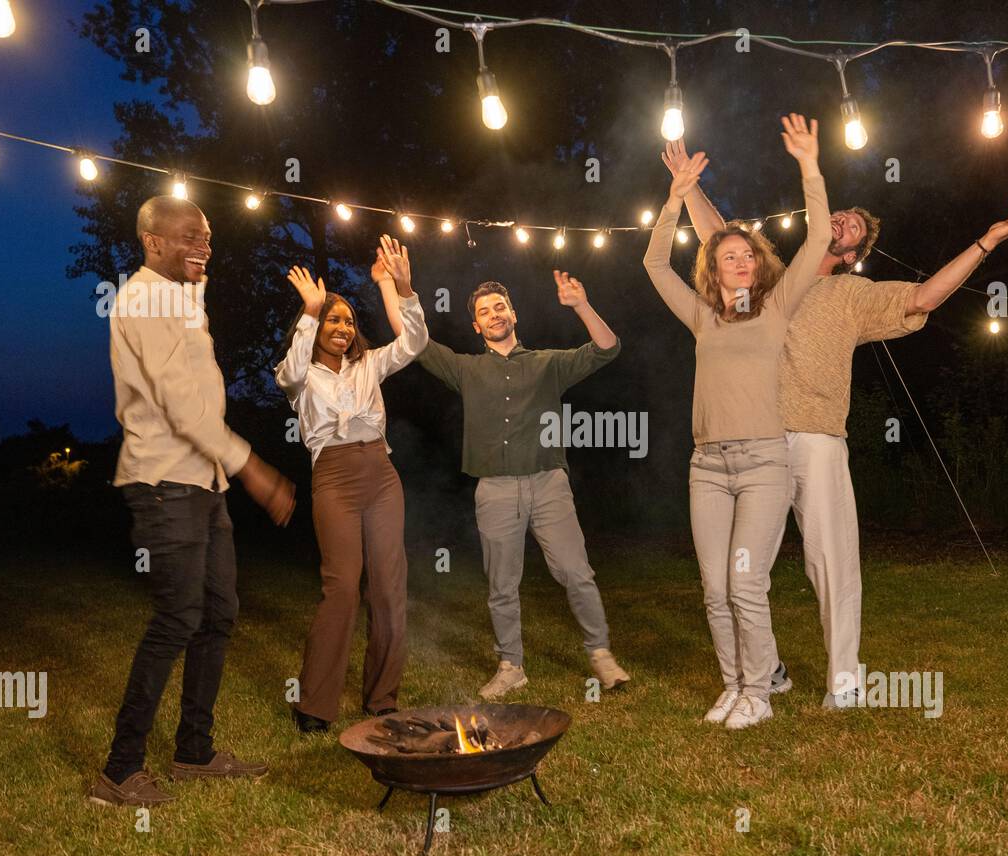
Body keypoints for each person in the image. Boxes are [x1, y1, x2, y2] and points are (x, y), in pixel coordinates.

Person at [668, 139, 1008, 709]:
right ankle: (764, 674)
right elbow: (717, 238)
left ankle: (844, 682)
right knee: (741, 572)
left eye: (849, 226)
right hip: (757, 441)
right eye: (837, 214)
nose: (840, 219)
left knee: (830, 561)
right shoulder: (772, 279)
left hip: (816, 438)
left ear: (852, 253)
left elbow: (925, 296)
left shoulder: (856, 295)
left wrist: (987, 242)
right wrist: (686, 183)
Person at [90, 195, 296, 808]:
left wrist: (196, 281)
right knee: (178, 616)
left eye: (207, 237)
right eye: (188, 237)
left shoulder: (178, 295)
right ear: (152, 240)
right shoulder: (146, 298)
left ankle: (194, 752)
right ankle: (119, 771)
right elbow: (181, 405)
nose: (203, 246)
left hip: (203, 482)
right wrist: (252, 466)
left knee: (217, 612)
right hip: (163, 480)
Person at [643, 114, 832, 730]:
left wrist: (809, 165)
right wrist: (673, 200)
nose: (740, 262)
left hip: (762, 465)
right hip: (707, 467)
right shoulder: (703, 319)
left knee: (745, 582)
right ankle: (734, 686)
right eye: (728, 256)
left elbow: (821, 235)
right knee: (715, 588)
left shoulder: (777, 311)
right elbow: (654, 266)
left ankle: (760, 690)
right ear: (715, 270)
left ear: (758, 264)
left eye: (747, 254)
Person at [416, 270, 630, 699]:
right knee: (501, 583)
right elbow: (416, 343)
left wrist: (580, 305)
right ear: (476, 327)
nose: (494, 314)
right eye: (484, 312)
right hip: (494, 489)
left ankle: (601, 654)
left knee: (575, 571)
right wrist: (397, 288)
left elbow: (608, 348)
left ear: (513, 313)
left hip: (549, 482)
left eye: (500, 306)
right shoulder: (465, 369)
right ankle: (511, 665)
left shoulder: (548, 363)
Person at [275, 235, 428, 733]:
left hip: (382, 477)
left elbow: (414, 343)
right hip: (334, 479)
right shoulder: (300, 375)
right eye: (332, 320)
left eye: (347, 321)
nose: (342, 327)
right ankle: (316, 705)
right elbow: (289, 372)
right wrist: (310, 309)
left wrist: (402, 289)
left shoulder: (370, 364)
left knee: (388, 587)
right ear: (318, 327)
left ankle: (382, 698)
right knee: (341, 587)